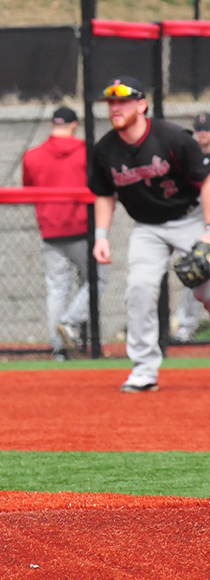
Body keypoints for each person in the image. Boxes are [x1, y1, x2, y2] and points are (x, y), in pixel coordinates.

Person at [90, 77, 210, 392]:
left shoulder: (172, 138)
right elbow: (103, 194)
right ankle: (144, 370)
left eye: (123, 102)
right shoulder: (105, 150)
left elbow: (207, 180)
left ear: (142, 105)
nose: (115, 108)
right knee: (139, 289)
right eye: (111, 103)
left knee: (207, 292)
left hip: (191, 217)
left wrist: (209, 232)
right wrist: (101, 235)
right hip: (147, 227)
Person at [22, 107, 107, 360]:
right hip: (82, 229)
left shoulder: (32, 156)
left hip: (50, 229)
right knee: (98, 279)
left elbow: (27, 189)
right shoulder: (87, 151)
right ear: (74, 125)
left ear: (52, 125)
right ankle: (69, 323)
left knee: (57, 288)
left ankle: (58, 348)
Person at [172, 112, 210, 343]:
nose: (202, 133)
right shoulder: (189, 158)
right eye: (199, 129)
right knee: (195, 270)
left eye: (206, 129)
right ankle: (186, 326)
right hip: (195, 223)